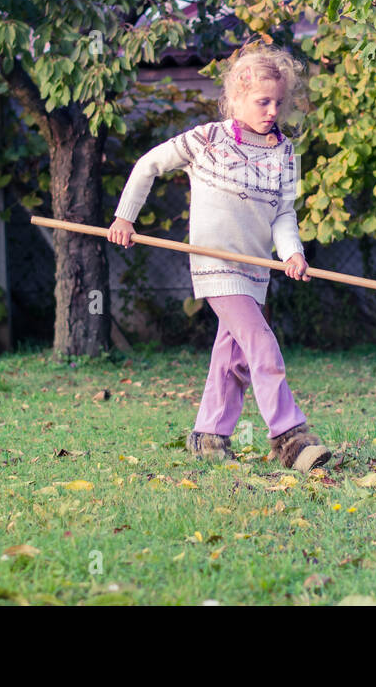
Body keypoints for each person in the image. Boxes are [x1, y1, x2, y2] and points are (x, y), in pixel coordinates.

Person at [107, 42, 332, 473]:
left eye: (279, 102)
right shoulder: (207, 139)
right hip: (215, 265)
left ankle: (209, 436)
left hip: (256, 269)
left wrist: (293, 253)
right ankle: (290, 438)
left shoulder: (284, 153)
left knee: (233, 357)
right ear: (236, 99)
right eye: (262, 101)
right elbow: (148, 164)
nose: (272, 110)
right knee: (262, 345)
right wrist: (124, 218)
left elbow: (284, 213)